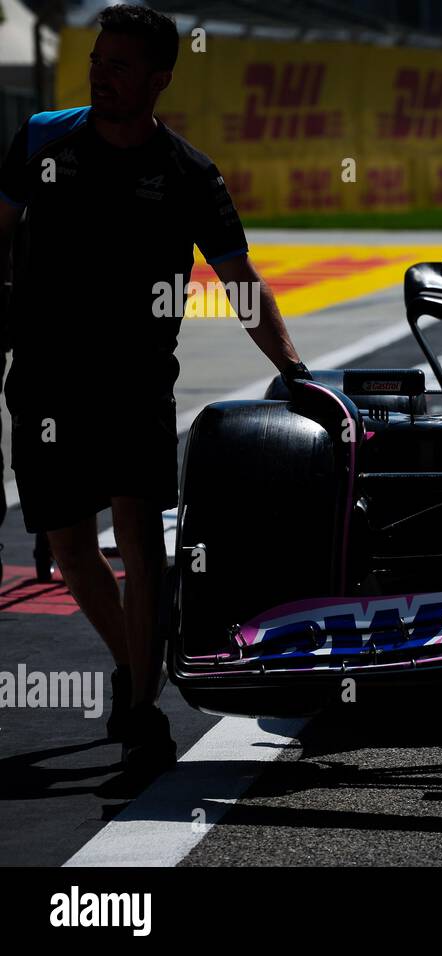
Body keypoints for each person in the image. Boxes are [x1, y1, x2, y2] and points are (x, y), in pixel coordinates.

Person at [0, 5, 312, 778]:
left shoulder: (189, 175)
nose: (101, 76)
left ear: (159, 79)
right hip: (42, 382)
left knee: (140, 535)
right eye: (98, 61)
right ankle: (134, 663)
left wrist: (296, 370)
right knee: (71, 547)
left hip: (136, 383)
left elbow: (241, 284)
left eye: (120, 65)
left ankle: (141, 713)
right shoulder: (43, 139)